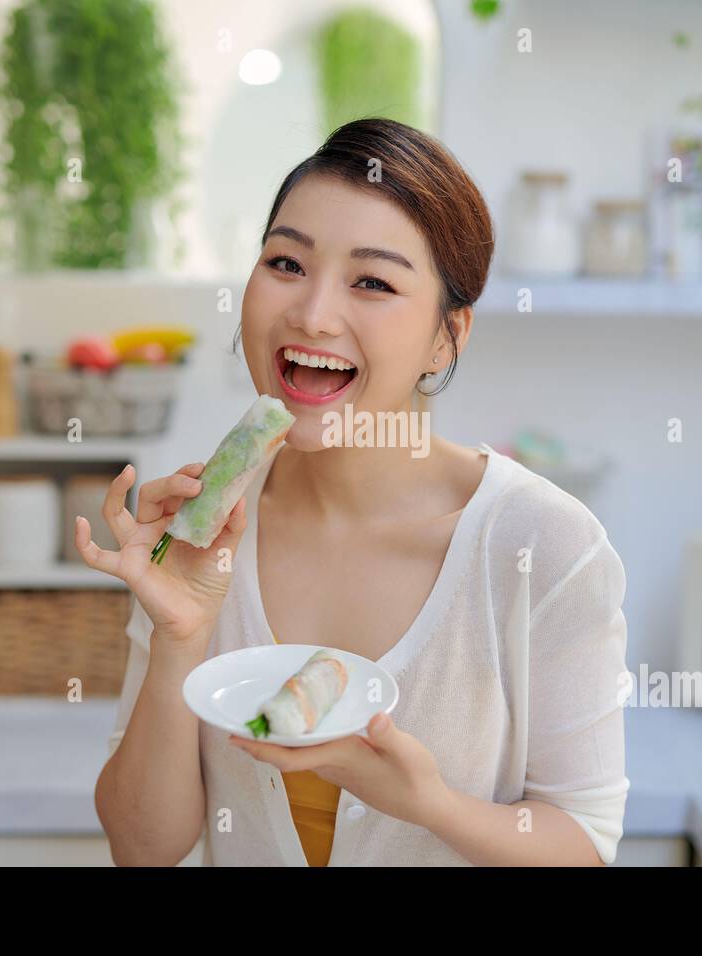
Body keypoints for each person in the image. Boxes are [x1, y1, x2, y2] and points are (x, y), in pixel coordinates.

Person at [80, 117, 629, 867]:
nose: (311, 315)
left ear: (448, 337)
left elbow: (585, 845)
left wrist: (425, 804)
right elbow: (143, 849)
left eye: (372, 281)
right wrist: (178, 637)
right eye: (285, 263)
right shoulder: (203, 528)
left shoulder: (544, 545)